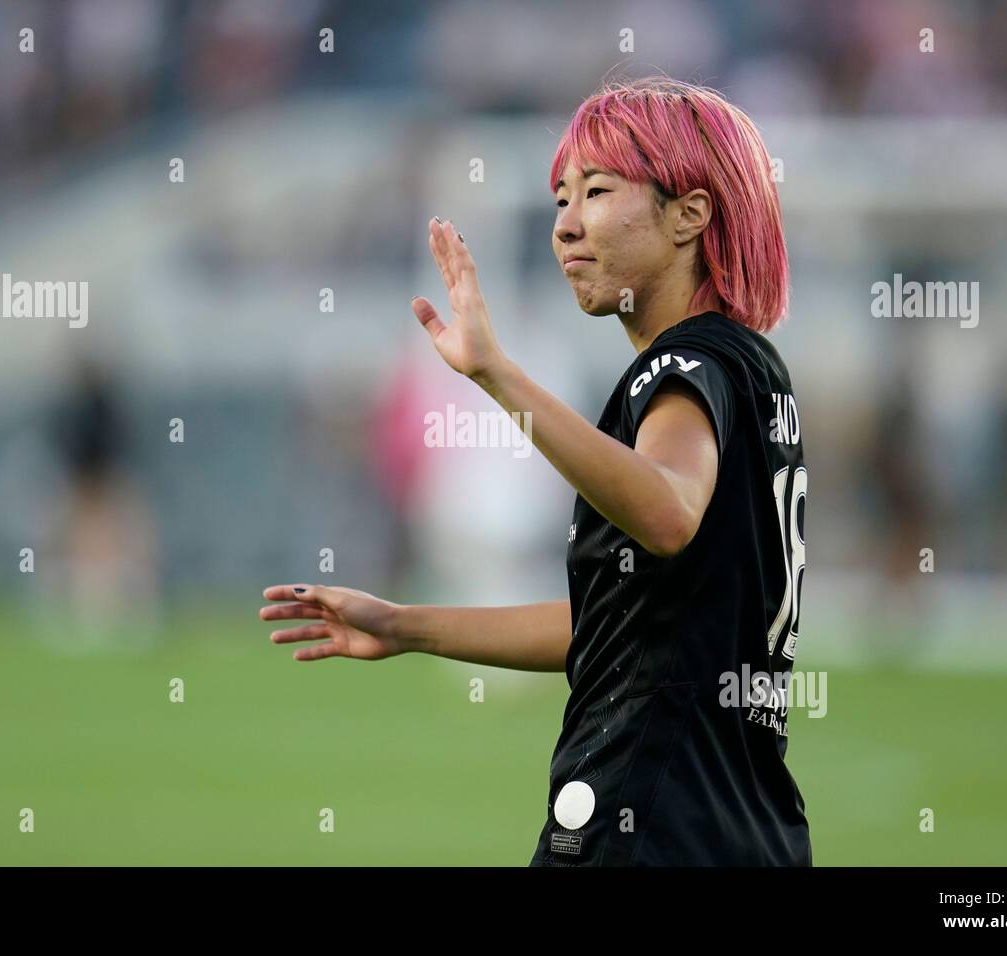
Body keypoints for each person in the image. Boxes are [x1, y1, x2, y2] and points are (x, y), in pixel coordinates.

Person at [261, 77, 810, 866]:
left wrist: (494, 377)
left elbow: (665, 510)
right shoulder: (755, 371)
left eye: (596, 191)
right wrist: (406, 625)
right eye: (559, 200)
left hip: (644, 816)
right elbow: (616, 625)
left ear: (690, 214)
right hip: (745, 825)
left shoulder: (685, 368)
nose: (566, 226)